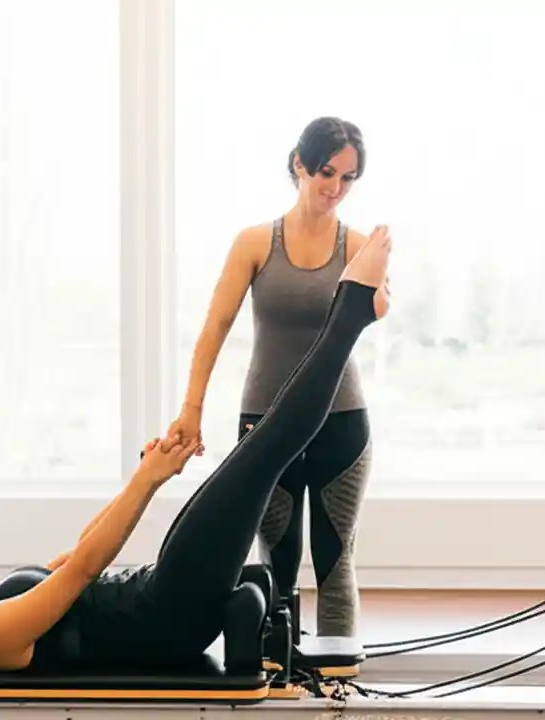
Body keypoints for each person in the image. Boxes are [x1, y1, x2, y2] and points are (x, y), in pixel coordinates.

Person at [0, 230, 392, 720]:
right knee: (266, 450)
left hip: (168, 596)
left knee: (261, 453)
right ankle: (350, 313)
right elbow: (84, 569)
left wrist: (151, 476)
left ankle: (352, 314)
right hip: (169, 609)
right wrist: (145, 483)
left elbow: (75, 553)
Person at [168, 116, 375, 638]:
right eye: (326, 172)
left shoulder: (359, 247)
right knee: (276, 559)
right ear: (298, 165)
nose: (335, 188)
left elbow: (374, 309)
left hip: (341, 421)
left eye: (348, 178)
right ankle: (278, 677)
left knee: (335, 558)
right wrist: (191, 411)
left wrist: (379, 283)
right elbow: (214, 328)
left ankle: (337, 684)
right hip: (266, 421)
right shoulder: (255, 243)